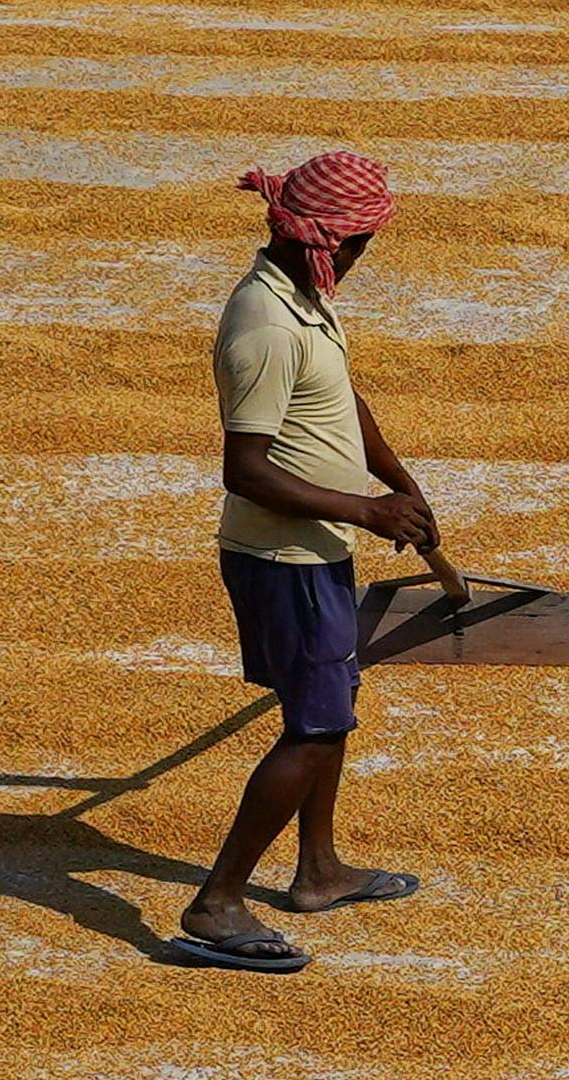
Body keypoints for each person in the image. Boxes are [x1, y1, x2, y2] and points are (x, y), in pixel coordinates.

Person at [166, 148, 451, 972]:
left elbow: (340, 398)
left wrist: (398, 481)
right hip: (281, 559)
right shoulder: (260, 325)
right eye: (358, 241)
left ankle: (319, 871)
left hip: (318, 549)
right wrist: (369, 510)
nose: (363, 257)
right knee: (319, 725)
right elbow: (244, 468)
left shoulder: (306, 302)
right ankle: (218, 901)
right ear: (320, 238)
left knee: (333, 705)